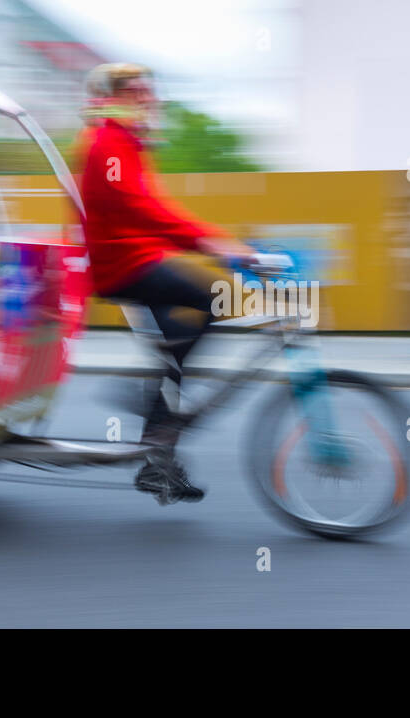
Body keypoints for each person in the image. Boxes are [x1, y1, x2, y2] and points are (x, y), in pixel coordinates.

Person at [75, 63, 257, 503]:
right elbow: (137, 208)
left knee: (175, 351)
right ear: (113, 96)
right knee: (221, 295)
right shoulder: (108, 142)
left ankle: (158, 461)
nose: (149, 99)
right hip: (122, 264)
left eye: (149, 92)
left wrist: (206, 242)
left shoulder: (128, 142)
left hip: (141, 257)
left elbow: (149, 207)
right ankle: (151, 408)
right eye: (138, 91)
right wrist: (210, 242)